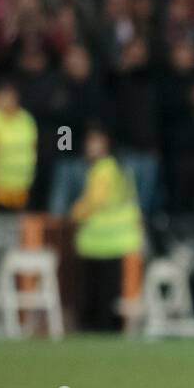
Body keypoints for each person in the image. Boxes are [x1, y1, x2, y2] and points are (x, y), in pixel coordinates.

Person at [70, 125, 143, 331]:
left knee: (98, 292)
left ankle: (97, 328)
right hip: (122, 238)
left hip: (100, 240)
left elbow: (95, 201)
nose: (90, 147)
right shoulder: (121, 167)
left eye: (95, 142)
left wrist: (74, 212)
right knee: (112, 292)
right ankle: (112, 327)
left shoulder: (103, 169)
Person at [0, 80, 38, 211]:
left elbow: (32, 151)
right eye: (3, 96)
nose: (8, 100)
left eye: (11, 96)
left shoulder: (26, 119)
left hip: (21, 192)